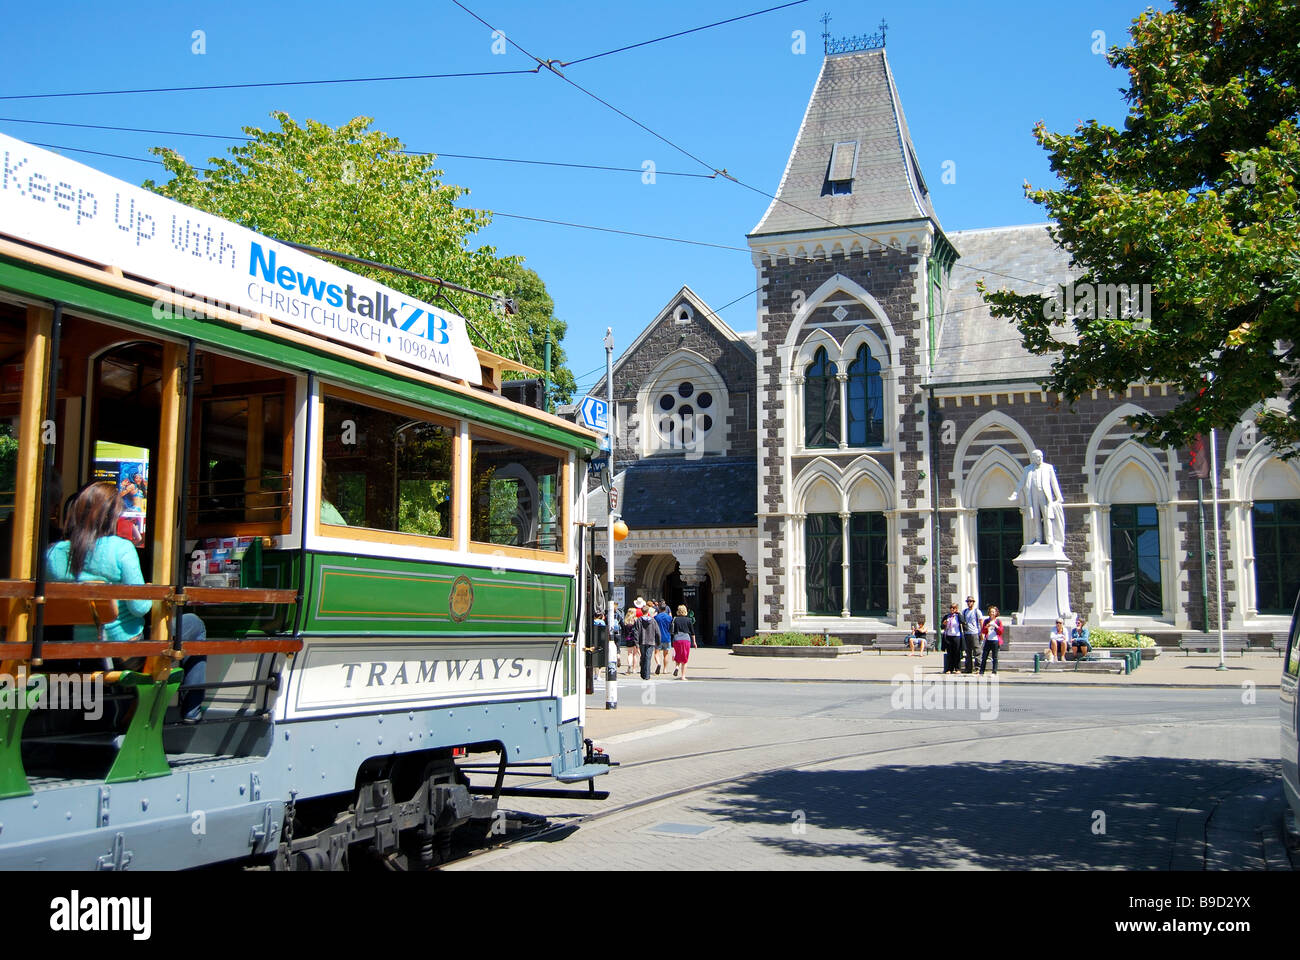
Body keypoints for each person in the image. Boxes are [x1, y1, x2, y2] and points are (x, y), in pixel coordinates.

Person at [47, 481, 207, 721]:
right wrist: (150, 592)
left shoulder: (53, 554)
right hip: (125, 653)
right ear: (112, 515)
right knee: (194, 624)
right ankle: (191, 711)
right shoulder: (121, 549)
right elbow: (140, 608)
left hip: (80, 650)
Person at [635, 599, 659, 680]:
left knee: (643, 657)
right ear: (648, 611)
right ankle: (647, 675)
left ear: (642, 611)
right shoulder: (653, 620)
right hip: (651, 641)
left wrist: (636, 643)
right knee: (648, 657)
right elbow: (657, 632)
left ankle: (643, 673)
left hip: (642, 641)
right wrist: (658, 642)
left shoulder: (639, 620)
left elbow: (636, 632)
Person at [958, 596, 983, 674]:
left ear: (973, 602)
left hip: (975, 633)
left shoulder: (977, 611)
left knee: (977, 651)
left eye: (971, 601)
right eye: (968, 601)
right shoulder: (964, 611)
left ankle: (978, 667)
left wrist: (981, 632)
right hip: (966, 633)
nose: (969, 603)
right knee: (968, 651)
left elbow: (981, 622)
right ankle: (968, 668)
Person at [979, 605, 1004, 675]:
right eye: (990, 612)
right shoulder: (986, 621)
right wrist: (986, 627)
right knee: (984, 656)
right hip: (988, 640)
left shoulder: (998, 621)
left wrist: (996, 626)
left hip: (995, 640)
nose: (992, 613)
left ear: (996, 613)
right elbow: (983, 631)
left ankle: (994, 671)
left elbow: (1001, 631)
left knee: (995, 657)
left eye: (993, 612)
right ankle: (981, 671)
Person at [671, 605, 695, 679]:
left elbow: (673, 631)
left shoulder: (675, 620)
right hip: (686, 639)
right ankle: (683, 676)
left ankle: (677, 666)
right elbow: (692, 632)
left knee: (678, 655)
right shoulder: (689, 620)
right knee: (684, 659)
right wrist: (694, 642)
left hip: (677, 638)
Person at [941, 603, 963, 673]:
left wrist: (959, 613)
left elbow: (963, 621)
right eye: (951, 608)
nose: (952, 609)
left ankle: (957, 668)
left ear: (956, 609)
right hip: (948, 635)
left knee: (957, 652)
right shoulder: (947, 616)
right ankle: (949, 668)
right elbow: (941, 626)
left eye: (954, 608)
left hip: (956, 635)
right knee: (950, 653)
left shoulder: (958, 616)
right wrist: (944, 624)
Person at [654, 601, 674, 675]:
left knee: (656, 653)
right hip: (667, 637)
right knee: (666, 654)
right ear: (665, 609)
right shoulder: (669, 618)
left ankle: (658, 663)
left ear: (659, 608)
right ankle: (665, 669)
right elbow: (671, 627)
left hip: (658, 637)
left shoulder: (656, 617)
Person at [622, 607, 640, 675]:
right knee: (635, 654)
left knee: (629, 653)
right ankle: (634, 669)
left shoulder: (626, 620)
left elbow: (624, 630)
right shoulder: (636, 620)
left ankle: (629, 664)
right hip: (635, 639)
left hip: (628, 638)